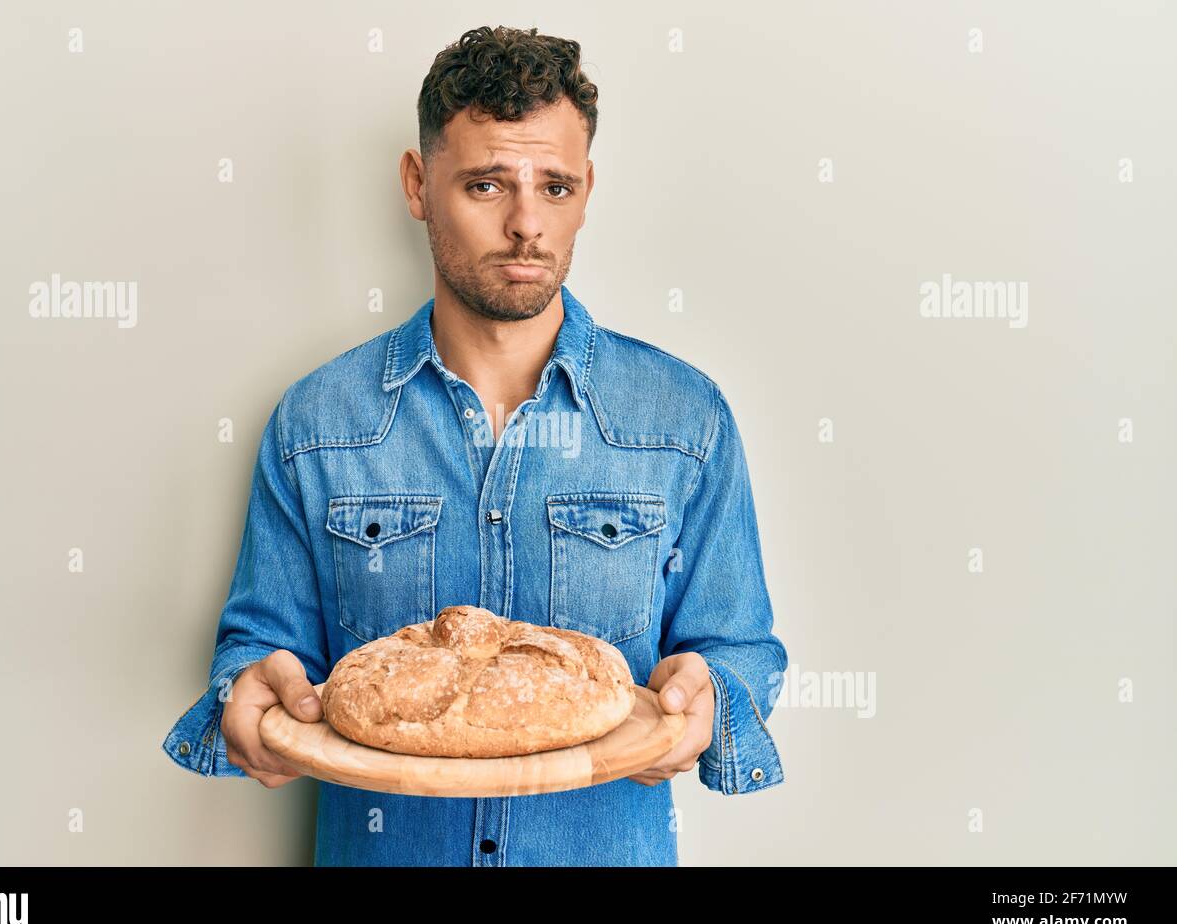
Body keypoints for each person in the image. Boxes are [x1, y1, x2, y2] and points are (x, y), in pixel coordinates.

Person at [162, 24, 788, 866]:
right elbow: (259, 644)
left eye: (556, 187)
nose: (528, 224)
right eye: (487, 184)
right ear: (418, 185)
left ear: (588, 189)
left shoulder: (684, 418)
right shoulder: (319, 423)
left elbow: (740, 647)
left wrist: (712, 694)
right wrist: (248, 688)